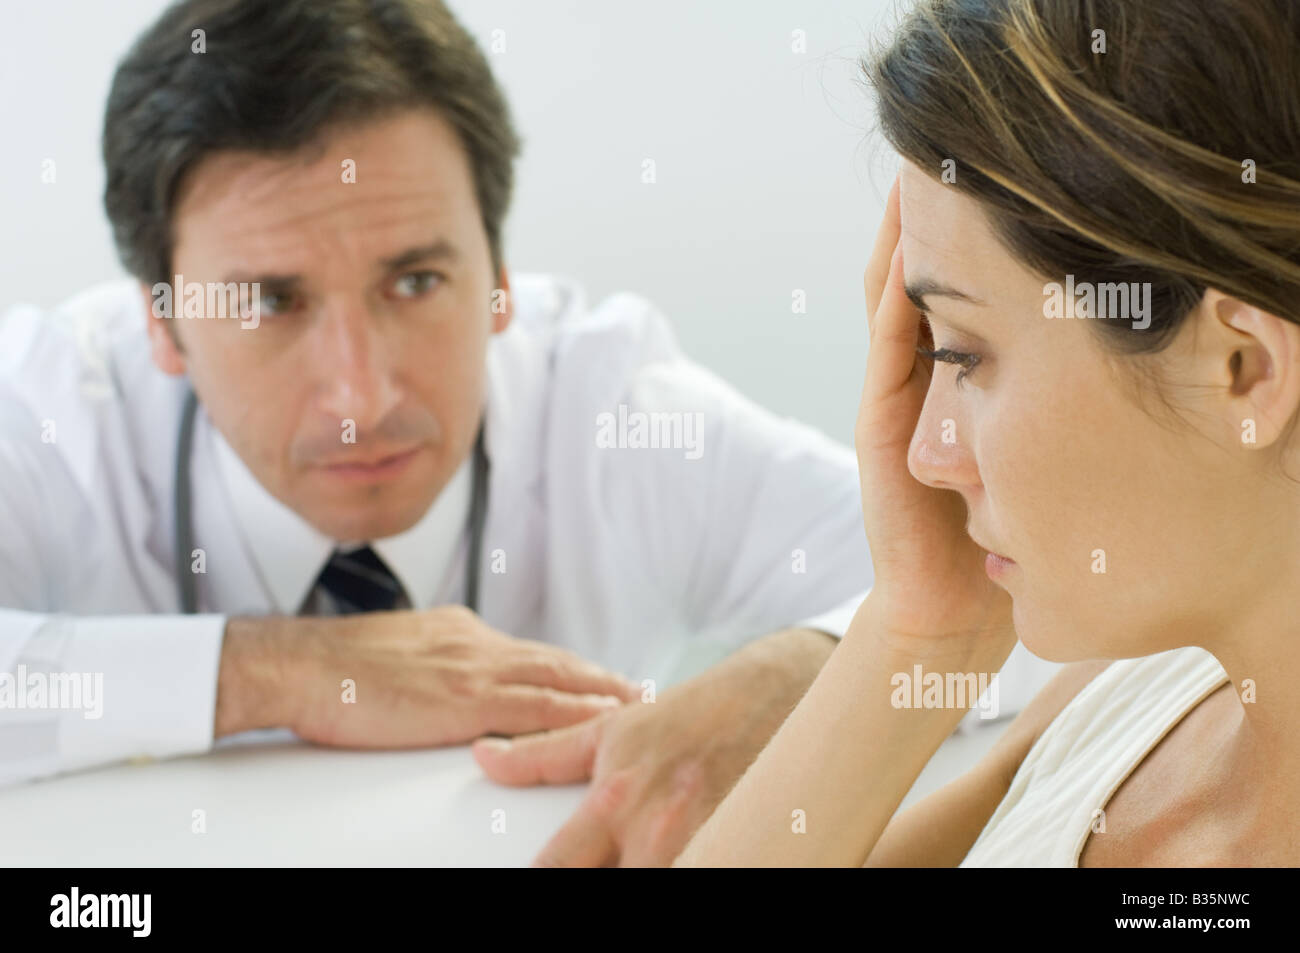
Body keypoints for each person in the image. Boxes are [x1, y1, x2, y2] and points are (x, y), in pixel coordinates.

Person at [0, 0, 878, 868]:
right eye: (271, 301)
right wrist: (273, 671)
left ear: (499, 277)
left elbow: (980, 574)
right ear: (160, 320)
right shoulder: (50, 413)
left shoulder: (615, 412)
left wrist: (795, 680)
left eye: (416, 281)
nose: (362, 395)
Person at [677, 0, 1300, 867]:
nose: (925, 455)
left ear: (1246, 372)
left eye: (964, 353)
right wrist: (921, 631)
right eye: (927, 347)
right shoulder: (1136, 704)